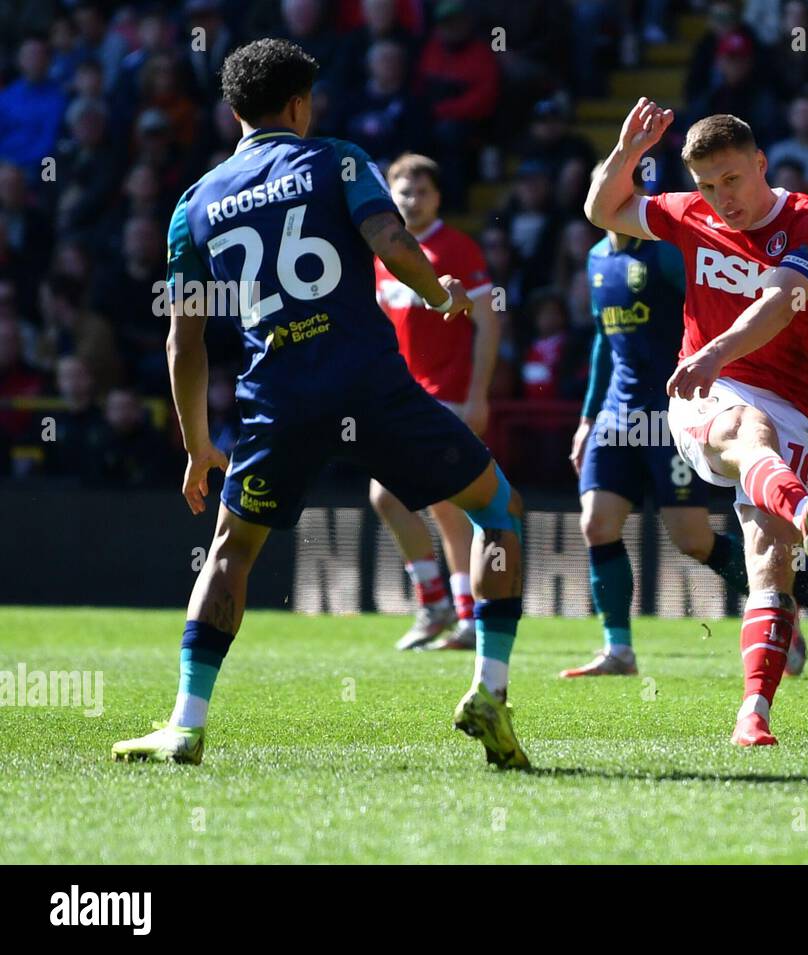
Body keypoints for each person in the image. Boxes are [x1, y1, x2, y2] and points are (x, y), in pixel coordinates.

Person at [111, 39, 529, 770]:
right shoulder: (334, 158)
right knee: (498, 510)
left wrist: (197, 445)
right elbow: (391, 240)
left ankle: (185, 722)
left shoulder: (192, 204)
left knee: (230, 553)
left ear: (234, 110)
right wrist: (440, 295)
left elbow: (185, 339)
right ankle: (489, 687)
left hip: (277, 399)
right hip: (371, 385)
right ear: (300, 105)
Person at [585, 102, 808, 745]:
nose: (720, 198)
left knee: (769, 565)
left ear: (760, 164)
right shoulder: (691, 215)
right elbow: (601, 211)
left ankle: (753, 715)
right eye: (705, 185)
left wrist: (714, 350)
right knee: (747, 429)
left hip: (792, 401)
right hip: (710, 391)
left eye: (731, 180)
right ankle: (803, 504)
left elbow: (781, 304)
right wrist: (626, 151)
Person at [564, 174, 750, 678]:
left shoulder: (668, 255)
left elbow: (711, 314)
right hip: (616, 415)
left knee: (691, 539)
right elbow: (605, 344)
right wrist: (586, 419)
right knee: (595, 523)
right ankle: (618, 650)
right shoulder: (597, 258)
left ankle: (778, 605)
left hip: (672, 414)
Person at [369, 153, 499, 652]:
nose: (411, 199)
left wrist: (477, 396)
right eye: (403, 190)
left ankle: (459, 612)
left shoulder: (456, 248)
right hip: (398, 397)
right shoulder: (386, 253)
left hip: (445, 395)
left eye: (421, 191)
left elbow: (488, 321)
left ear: (438, 197)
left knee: (439, 503)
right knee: (391, 497)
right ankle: (442, 605)